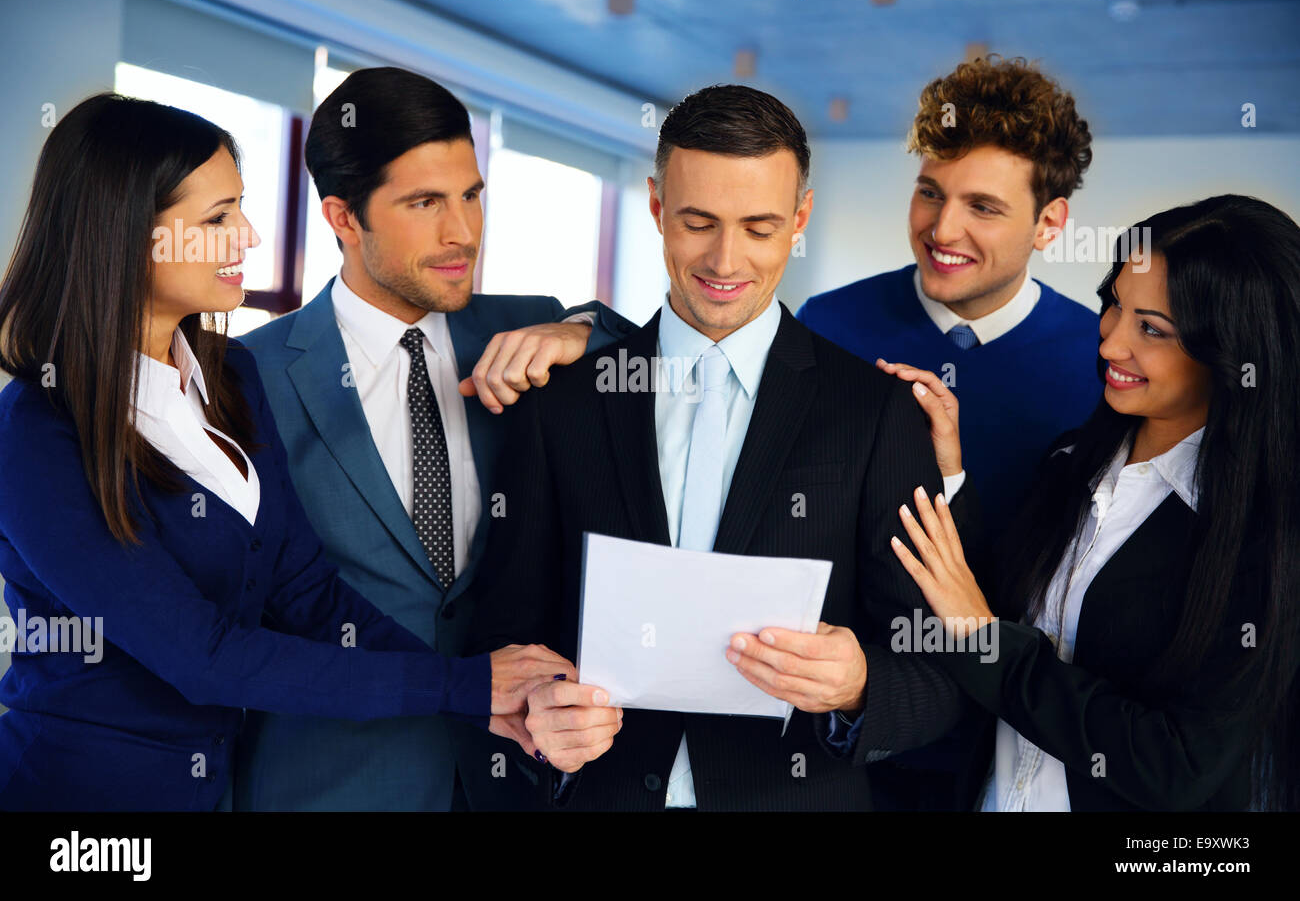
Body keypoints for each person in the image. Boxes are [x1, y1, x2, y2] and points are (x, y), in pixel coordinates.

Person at [0, 93, 570, 810]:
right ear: (127, 234)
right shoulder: (39, 428)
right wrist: (462, 685)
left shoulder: (227, 375)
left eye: (238, 209)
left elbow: (308, 595)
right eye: (216, 220)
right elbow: (203, 656)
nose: (248, 238)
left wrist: (479, 700)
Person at [463, 84, 973, 811]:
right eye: (698, 221)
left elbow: (941, 671)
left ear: (801, 218)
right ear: (654, 207)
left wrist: (861, 685)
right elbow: (504, 630)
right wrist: (538, 713)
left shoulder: (877, 412)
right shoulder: (560, 402)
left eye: (760, 227)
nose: (725, 260)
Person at [233, 67, 635, 811]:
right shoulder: (248, 375)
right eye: (425, 203)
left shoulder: (529, 327)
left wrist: (579, 331)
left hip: (511, 781)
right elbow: (233, 629)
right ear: (343, 218)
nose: (464, 233)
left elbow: (647, 353)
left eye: (472, 195)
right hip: (328, 786)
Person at [885, 195, 1300, 810]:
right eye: (1114, 307)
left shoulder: (1265, 533)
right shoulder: (1071, 460)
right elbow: (986, 606)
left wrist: (984, 643)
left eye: (1152, 329)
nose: (1109, 345)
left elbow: (1175, 767)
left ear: (1232, 354)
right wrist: (949, 470)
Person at [797, 55, 1100, 522]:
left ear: (1048, 224)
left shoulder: (1103, 360)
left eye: (982, 207)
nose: (942, 231)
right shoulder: (825, 325)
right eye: (931, 193)